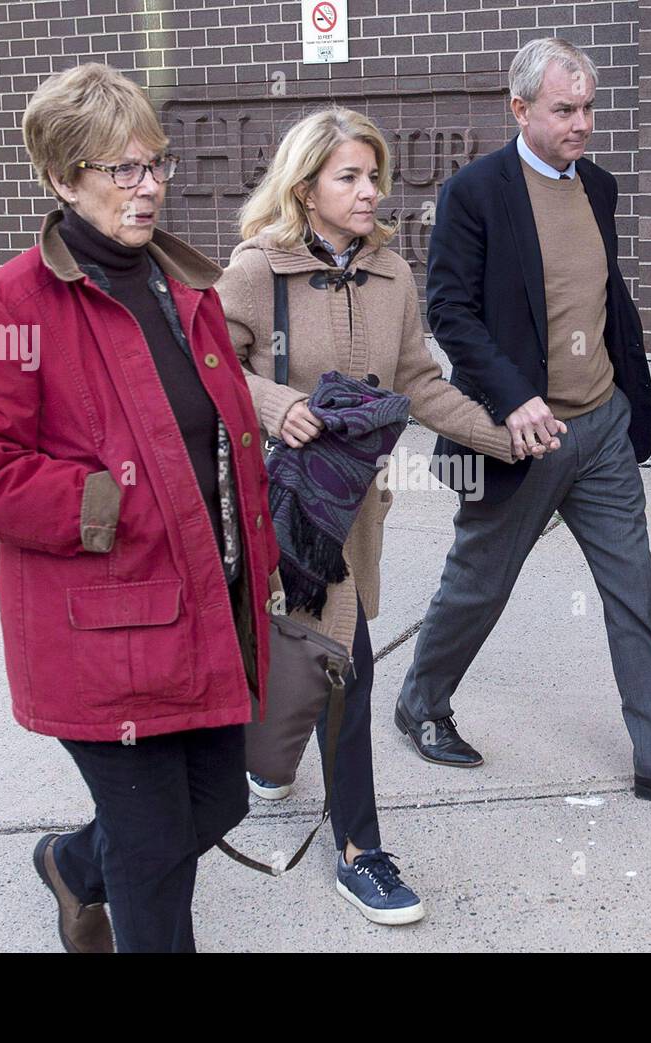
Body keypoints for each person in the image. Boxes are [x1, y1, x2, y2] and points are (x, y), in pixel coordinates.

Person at [0, 63, 280, 952]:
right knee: (157, 847)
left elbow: (218, 439)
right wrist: (99, 503)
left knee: (221, 800)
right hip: (102, 624)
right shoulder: (7, 305)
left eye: (155, 163)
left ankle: (72, 865)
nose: (150, 185)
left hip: (203, 605)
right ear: (61, 178)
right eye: (122, 169)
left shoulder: (183, 290)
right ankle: (106, 879)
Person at [215, 106, 558, 924]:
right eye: (350, 177)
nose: (370, 191)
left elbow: (421, 383)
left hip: (355, 511)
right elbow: (206, 372)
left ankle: (268, 762)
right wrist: (270, 401)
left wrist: (504, 434)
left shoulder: (392, 274)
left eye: (375, 176)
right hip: (284, 510)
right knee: (348, 669)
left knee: (306, 654)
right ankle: (359, 852)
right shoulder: (257, 270)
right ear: (305, 187)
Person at [393, 38, 651, 816]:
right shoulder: (476, 193)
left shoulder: (600, 187)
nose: (582, 123)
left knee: (636, 593)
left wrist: (623, 396)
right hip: (525, 436)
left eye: (588, 108)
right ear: (521, 110)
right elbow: (449, 310)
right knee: (479, 584)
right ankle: (420, 703)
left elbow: (601, 299)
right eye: (565, 110)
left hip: (602, 429)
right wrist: (512, 397)